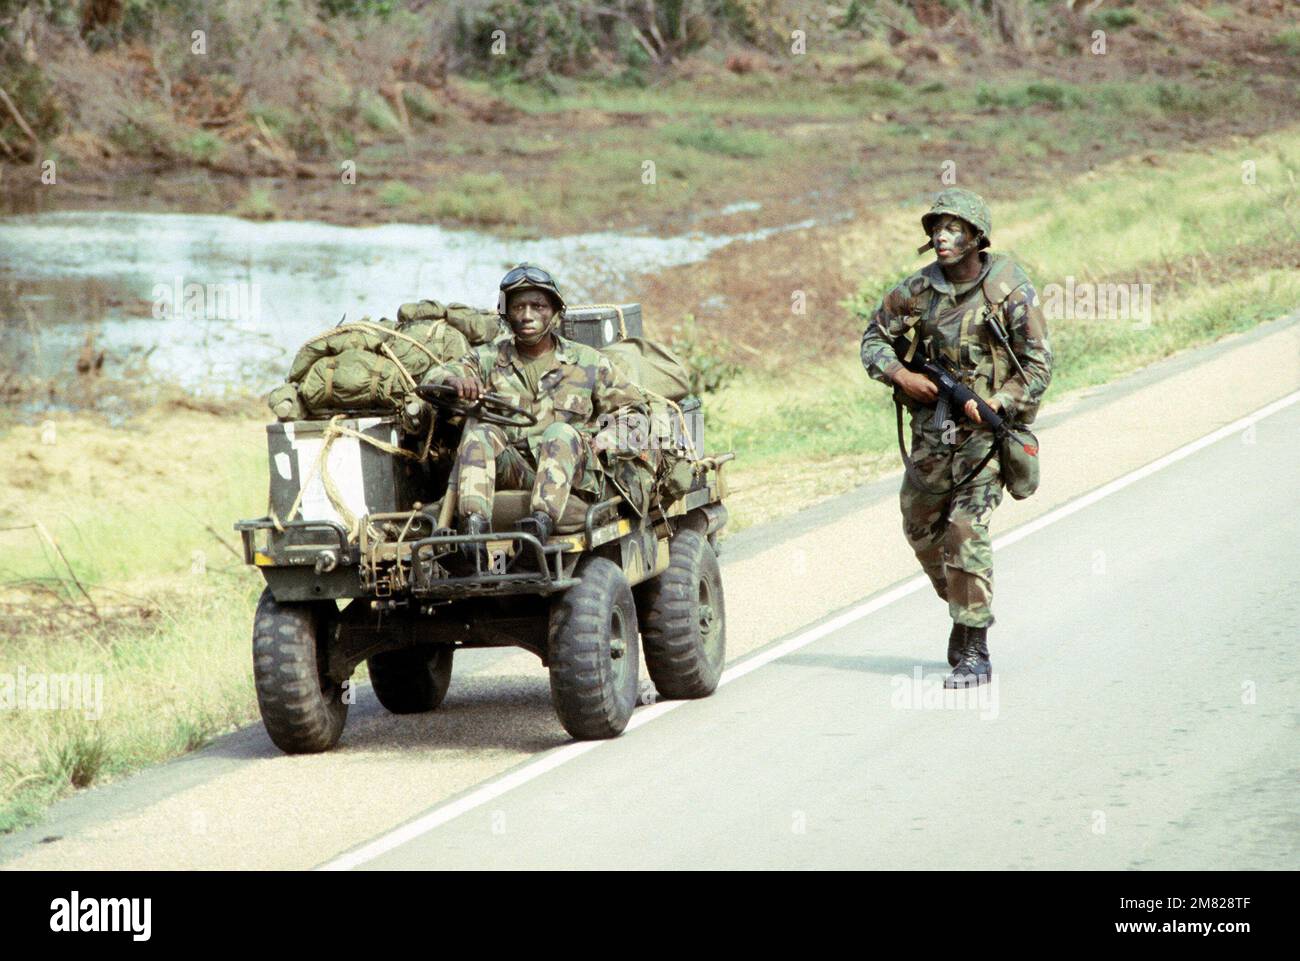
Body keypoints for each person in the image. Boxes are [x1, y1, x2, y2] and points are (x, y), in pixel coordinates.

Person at [860, 189, 1053, 688]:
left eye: (953, 229)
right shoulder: (918, 290)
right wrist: (901, 377)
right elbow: (874, 339)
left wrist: (994, 406)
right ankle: (965, 609)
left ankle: (974, 647)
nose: (941, 237)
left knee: (966, 528)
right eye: (936, 229)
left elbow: (1037, 365)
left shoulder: (1008, 288)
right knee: (919, 526)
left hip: (984, 439)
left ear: (975, 236)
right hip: (932, 434)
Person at [427, 264, 649, 549]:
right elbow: (431, 380)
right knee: (480, 432)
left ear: (554, 312)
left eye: (538, 306)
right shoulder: (486, 359)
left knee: (561, 432)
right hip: (515, 467)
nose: (528, 315)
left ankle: (541, 524)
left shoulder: (588, 362)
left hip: (573, 470)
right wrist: (455, 381)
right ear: (507, 315)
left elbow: (636, 413)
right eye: (519, 307)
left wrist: (611, 437)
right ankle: (473, 528)